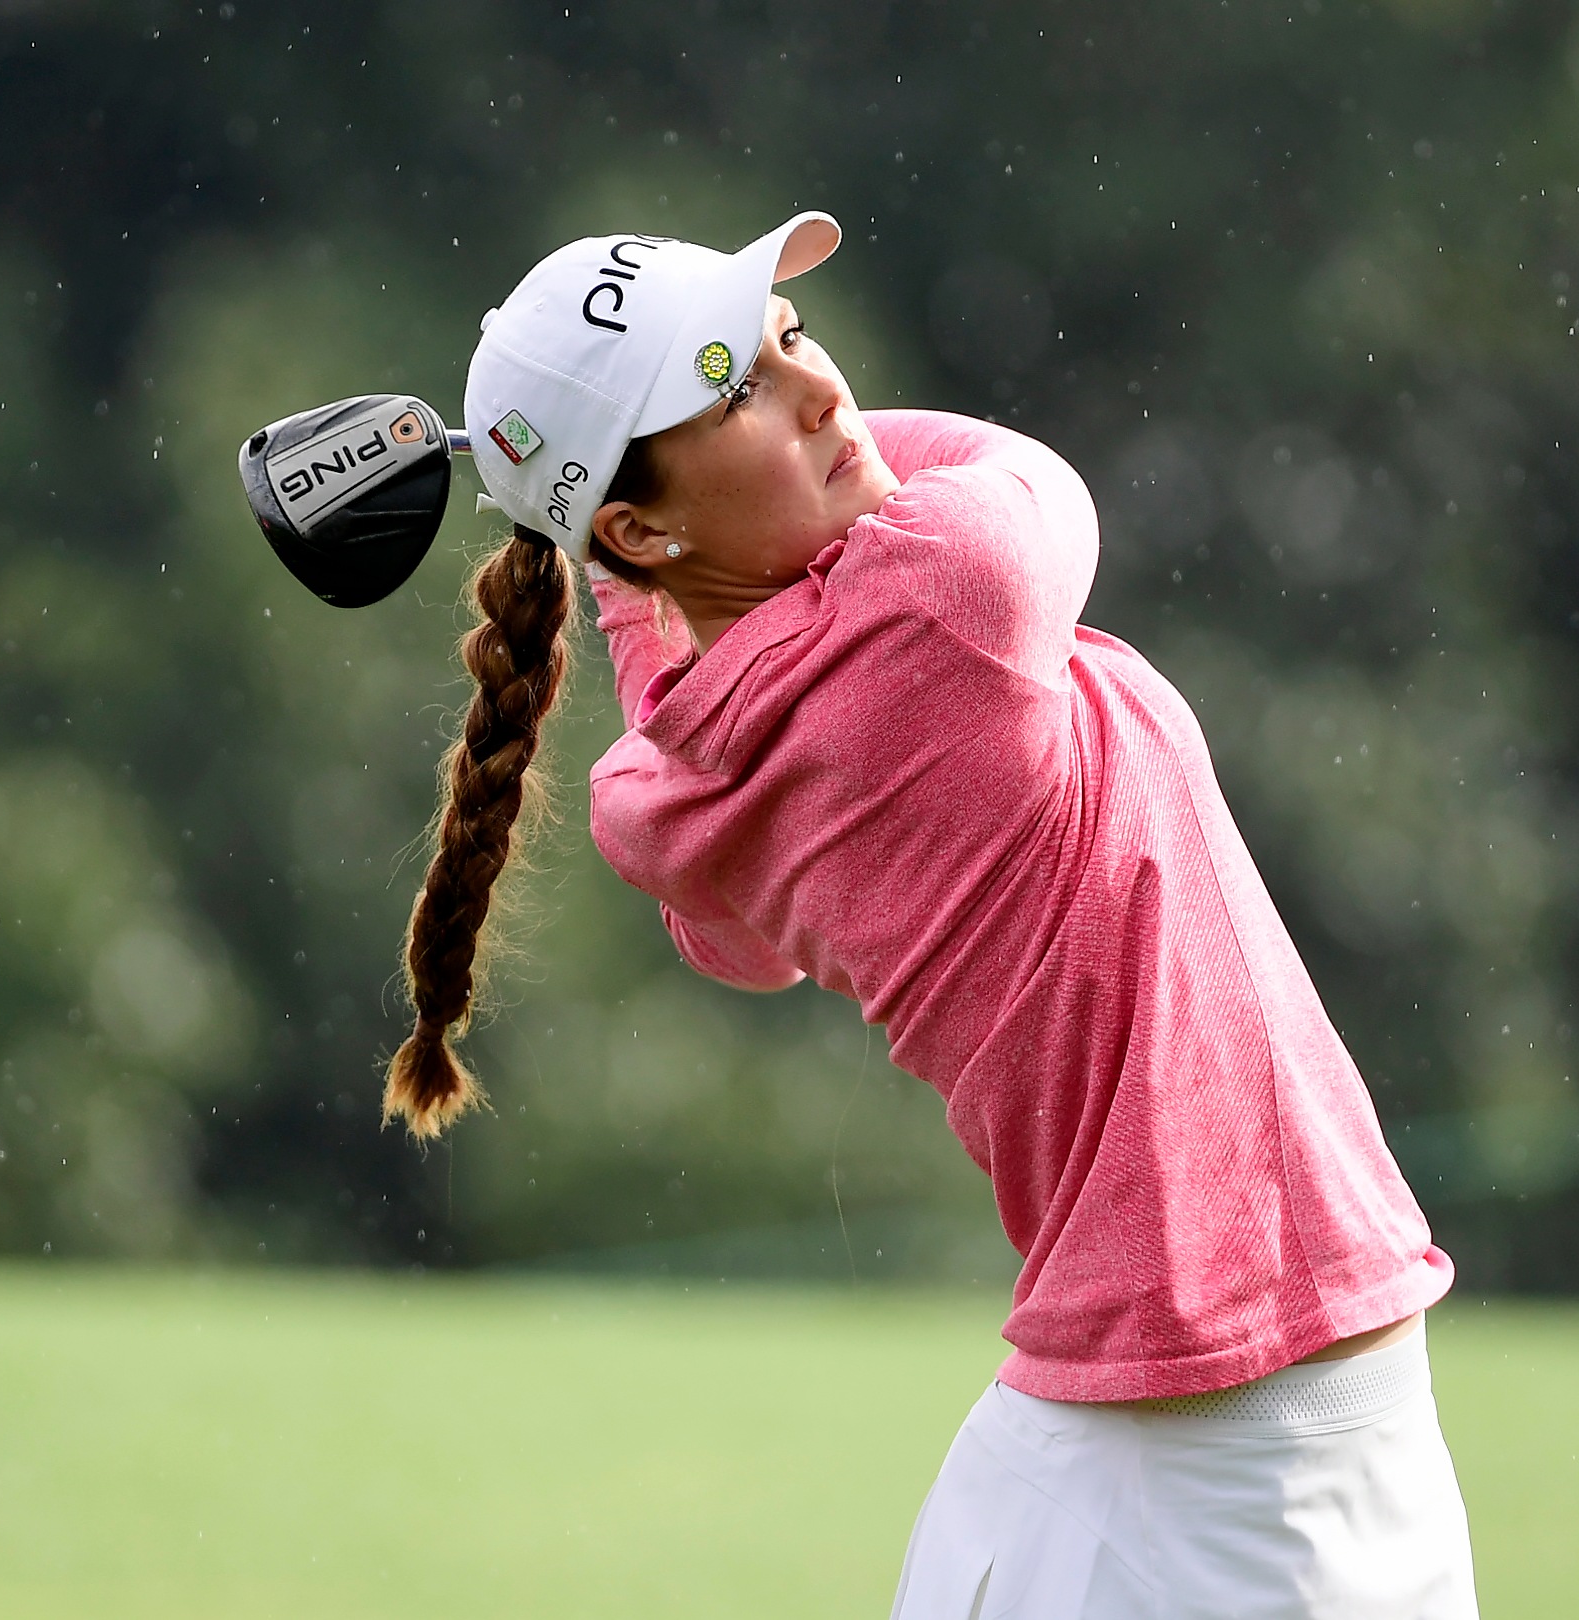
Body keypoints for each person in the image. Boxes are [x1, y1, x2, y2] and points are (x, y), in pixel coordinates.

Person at [393, 212, 1478, 1617]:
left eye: (789, 342)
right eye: (733, 389)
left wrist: (616, 535)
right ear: (640, 522)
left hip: (1206, 1427)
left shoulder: (657, 794)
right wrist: (620, 549)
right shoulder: (945, 594)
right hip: (1202, 1467)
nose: (822, 392)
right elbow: (1014, 469)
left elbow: (738, 943)